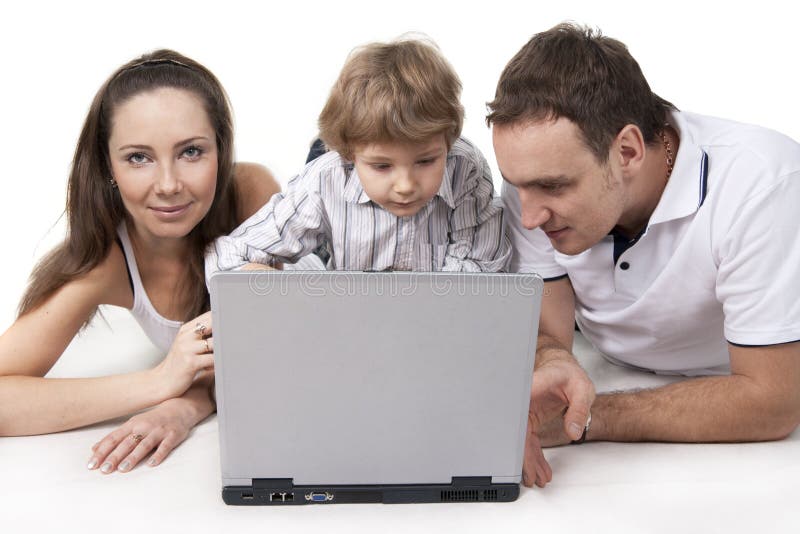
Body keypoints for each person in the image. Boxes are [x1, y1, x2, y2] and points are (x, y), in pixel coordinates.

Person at [487, 23, 800, 488]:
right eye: (517, 186)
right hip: (611, 373)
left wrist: (588, 418)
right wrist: (553, 360)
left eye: (554, 186)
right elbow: (548, 330)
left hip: (741, 444)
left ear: (628, 151)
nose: (528, 216)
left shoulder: (763, 184)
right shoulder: (532, 185)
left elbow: (773, 402)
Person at [0, 49, 285, 475]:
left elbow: (267, 350)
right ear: (108, 167)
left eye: (191, 152)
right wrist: (159, 381)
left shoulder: (251, 192)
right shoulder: (105, 262)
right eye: (138, 158)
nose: (168, 185)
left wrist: (184, 405)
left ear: (221, 151)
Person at [205, 37, 511, 277]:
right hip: (343, 312)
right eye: (382, 166)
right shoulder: (326, 177)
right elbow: (228, 256)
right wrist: (274, 289)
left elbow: (482, 272)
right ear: (349, 153)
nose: (405, 185)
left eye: (426, 161)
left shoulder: (466, 169)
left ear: (449, 141)